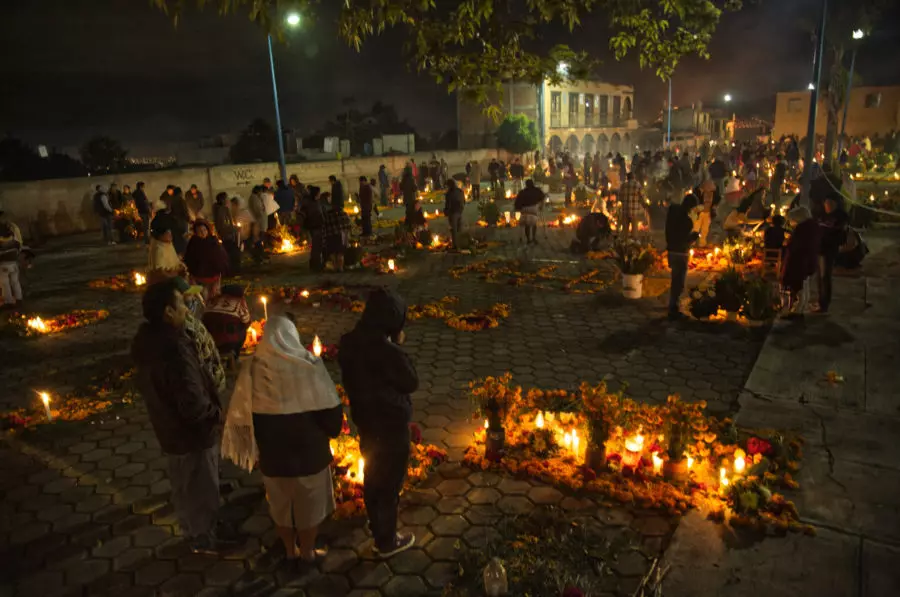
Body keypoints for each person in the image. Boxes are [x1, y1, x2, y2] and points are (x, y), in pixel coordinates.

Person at [222, 316, 343, 563]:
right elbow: (331, 415)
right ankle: (308, 553)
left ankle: (290, 551)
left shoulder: (253, 368)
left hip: (273, 458)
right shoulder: (310, 365)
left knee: (280, 508)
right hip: (310, 457)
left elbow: (243, 410)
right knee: (309, 508)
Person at [131, 278, 234, 555]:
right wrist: (214, 415)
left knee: (184, 483)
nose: (186, 311)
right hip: (193, 433)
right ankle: (204, 538)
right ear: (167, 311)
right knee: (202, 485)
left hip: (169, 430)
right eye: (181, 306)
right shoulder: (175, 347)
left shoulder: (147, 342)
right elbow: (191, 397)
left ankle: (193, 529)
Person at [338, 288, 418, 557]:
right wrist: (396, 344)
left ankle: (378, 523)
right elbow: (410, 381)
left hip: (367, 421)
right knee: (389, 481)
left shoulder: (349, 342)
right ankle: (386, 541)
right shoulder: (386, 351)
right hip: (390, 424)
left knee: (374, 475)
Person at [781, 206, 821, 316]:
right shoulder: (813, 227)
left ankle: (798, 310)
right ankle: (801, 307)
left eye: (792, 220)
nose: (791, 223)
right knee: (805, 284)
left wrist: (788, 243)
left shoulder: (802, 229)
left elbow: (797, 246)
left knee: (800, 287)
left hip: (801, 262)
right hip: (809, 260)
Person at [665, 194, 700, 320]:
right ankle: (674, 309)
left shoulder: (672, 213)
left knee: (675, 280)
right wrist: (695, 237)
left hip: (671, 251)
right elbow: (684, 240)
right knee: (678, 283)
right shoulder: (687, 221)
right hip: (681, 254)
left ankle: (672, 306)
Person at [816, 198, 849, 313]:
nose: (827, 206)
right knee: (820, 276)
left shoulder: (840, 217)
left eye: (829, 203)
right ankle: (821, 301)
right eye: (825, 203)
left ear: (834, 204)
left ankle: (824, 303)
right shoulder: (822, 216)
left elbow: (838, 233)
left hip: (828, 250)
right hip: (820, 249)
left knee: (825, 276)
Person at [202, 285, 251, 360]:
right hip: (228, 343)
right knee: (243, 328)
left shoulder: (213, 300)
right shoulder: (239, 301)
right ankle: (235, 356)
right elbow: (246, 320)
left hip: (207, 341)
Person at [183, 220, 229, 299]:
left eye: (204, 230)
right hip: (198, 279)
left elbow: (221, 258)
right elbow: (189, 259)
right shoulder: (193, 243)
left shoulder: (214, 242)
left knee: (212, 299)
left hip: (213, 278)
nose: (203, 233)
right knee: (198, 299)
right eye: (200, 231)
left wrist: (219, 274)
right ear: (196, 233)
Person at [148, 221, 187, 285]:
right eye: (167, 234)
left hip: (173, 276)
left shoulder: (168, 245)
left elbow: (175, 260)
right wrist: (174, 275)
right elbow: (160, 271)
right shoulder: (159, 249)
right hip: (164, 281)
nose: (170, 235)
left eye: (170, 233)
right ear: (160, 236)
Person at [323, 193, 352, 272]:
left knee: (332, 252)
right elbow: (348, 226)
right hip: (340, 236)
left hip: (330, 236)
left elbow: (324, 226)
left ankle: (335, 267)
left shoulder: (327, 215)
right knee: (340, 252)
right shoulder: (343, 214)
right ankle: (340, 268)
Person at [299, 186, 326, 272]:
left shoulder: (316, 202)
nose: (319, 194)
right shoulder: (310, 203)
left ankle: (316, 263)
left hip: (317, 225)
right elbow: (306, 214)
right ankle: (315, 264)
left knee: (318, 245)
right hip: (314, 226)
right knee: (316, 246)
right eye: (318, 193)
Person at [0, 210, 23, 308]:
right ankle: (19, 299)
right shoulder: (13, 231)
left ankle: (8, 301)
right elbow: (19, 245)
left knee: (4, 282)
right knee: (15, 281)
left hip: (4, 263)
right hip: (14, 260)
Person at [514, 179, 544, 245]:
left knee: (527, 225)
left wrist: (517, 209)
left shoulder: (522, 192)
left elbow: (517, 203)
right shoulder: (537, 190)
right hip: (533, 208)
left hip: (524, 209)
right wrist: (541, 206)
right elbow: (542, 197)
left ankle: (528, 239)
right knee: (534, 224)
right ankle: (533, 237)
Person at [693, 179, 719, 247]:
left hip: (707, 213)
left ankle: (702, 244)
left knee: (705, 230)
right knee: (696, 228)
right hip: (701, 213)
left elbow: (713, 202)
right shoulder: (699, 194)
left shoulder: (714, 195)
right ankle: (692, 243)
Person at [444, 179, 465, 250]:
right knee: (460, 228)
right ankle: (461, 243)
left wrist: (446, 212)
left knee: (454, 230)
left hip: (453, 213)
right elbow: (463, 201)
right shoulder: (460, 191)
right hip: (460, 211)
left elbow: (448, 205)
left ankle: (455, 245)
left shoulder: (449, 193)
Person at [169, 188, 191, 255]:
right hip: (182, 221)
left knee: (177, 238)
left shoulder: (172, 201)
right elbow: (185, 211)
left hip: (175, 222)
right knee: (184, 237)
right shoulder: (181, 200)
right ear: (180, 193)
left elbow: (171, 211)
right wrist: (188, 219)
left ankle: (178, 253)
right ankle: (186, 252)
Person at [248, 185, 268, 251]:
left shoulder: (256, 197)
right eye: (260, 191)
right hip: (259, 221)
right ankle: (260, 251)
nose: (261, 193)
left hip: (260, 220)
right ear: (257, 191)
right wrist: (262, 210)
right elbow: (258, 210)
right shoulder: (254, 198)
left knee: (260, 236)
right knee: (260, 237)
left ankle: (261, 250)